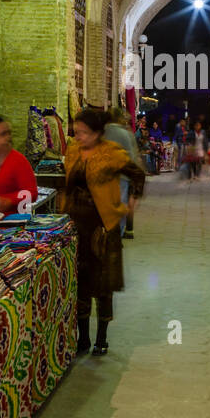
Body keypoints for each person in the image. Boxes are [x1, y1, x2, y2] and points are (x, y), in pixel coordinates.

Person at [64, 108, 146, 356]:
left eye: (84, 133)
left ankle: (101, 338)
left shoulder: (111, 153)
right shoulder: (73, 151)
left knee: (102, 285)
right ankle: (82, 339)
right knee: (81, 284)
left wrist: (133, 198)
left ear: (98, 133)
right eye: (76, 132)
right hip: (77, 225)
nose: (78, 137)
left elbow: (137, 174)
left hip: (103, 226)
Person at [104, 108, 143, 239]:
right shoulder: (125, 133)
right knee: (121, 203)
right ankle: (119, 232)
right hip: (123, 175)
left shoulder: (103, 131)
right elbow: (132, 156)